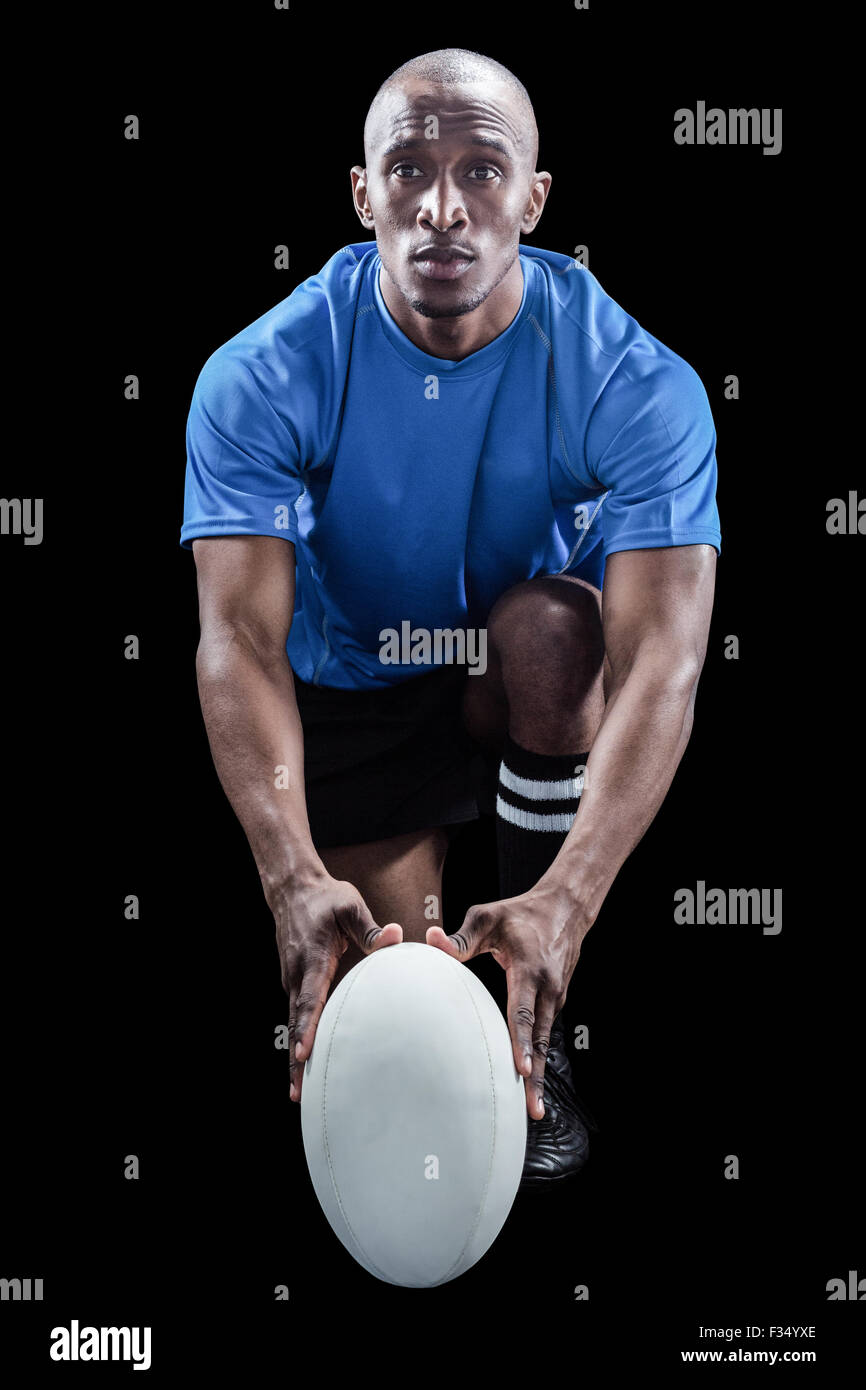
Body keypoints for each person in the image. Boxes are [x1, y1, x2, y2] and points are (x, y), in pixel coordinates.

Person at [180, 48, 721, 1188]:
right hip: (351, 693)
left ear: (532, 199)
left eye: (481, 170)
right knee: (424, 1003)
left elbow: (662, 659)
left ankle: (549, 1004)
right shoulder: (265, 370)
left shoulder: (630, 379)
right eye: (408, 168)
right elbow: (235, 638)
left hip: (509, 669)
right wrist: (286, 872)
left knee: (554, 628)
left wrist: (567, 902)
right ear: (360, 193)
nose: (442, 205)